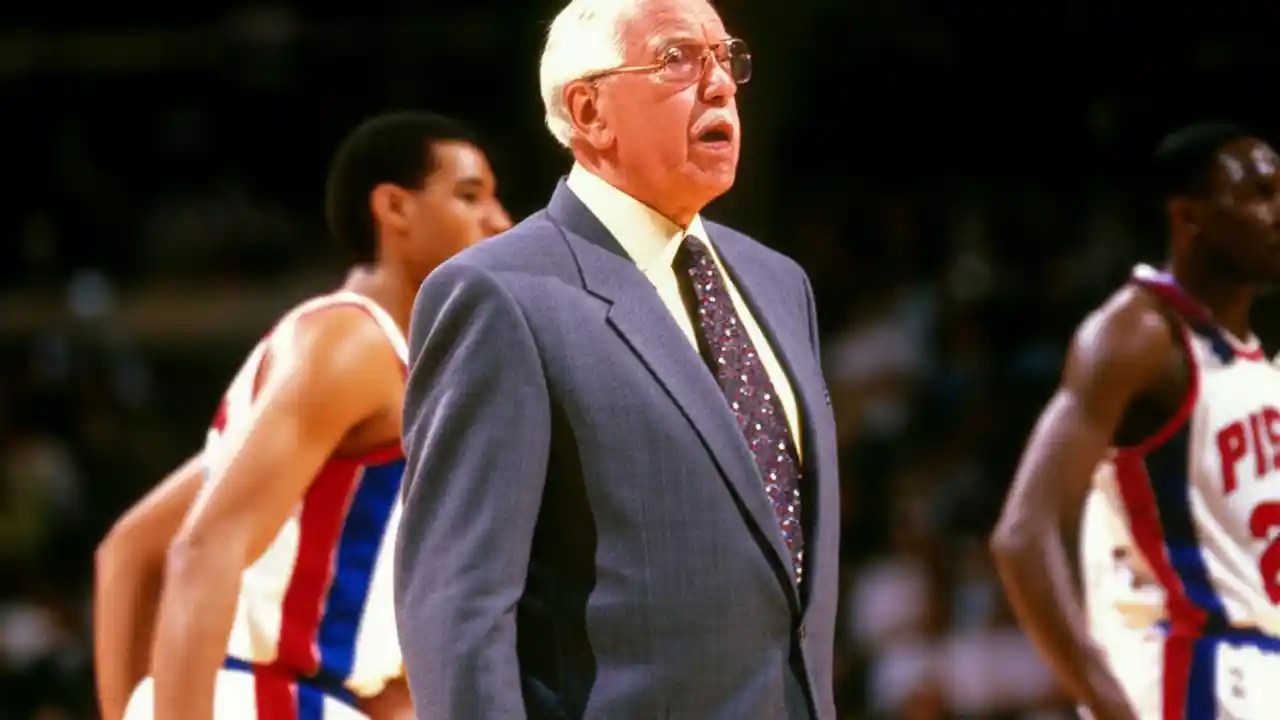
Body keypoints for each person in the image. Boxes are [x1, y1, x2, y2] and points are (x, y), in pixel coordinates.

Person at [393, 0, 841, 718]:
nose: (721, 84)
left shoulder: (779, 284)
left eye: (726, 58)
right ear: (589, 111)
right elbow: (457, 608)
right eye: (677, 59)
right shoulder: (500, 295)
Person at [92, 110, 511, 720]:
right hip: (256, 698)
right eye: (470, 196)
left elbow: (130, 551)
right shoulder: (352, 342)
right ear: (394, 208)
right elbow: (201, 551)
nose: (499, 220)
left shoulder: (353, 352)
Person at [990, 122, 1280, 719]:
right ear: (1190, 216)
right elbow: (1022, 534)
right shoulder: (1139, 334)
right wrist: (1102, 698)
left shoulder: (1253, 361)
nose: (1278, 211)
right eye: (1259, 193)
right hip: (1196, 679)